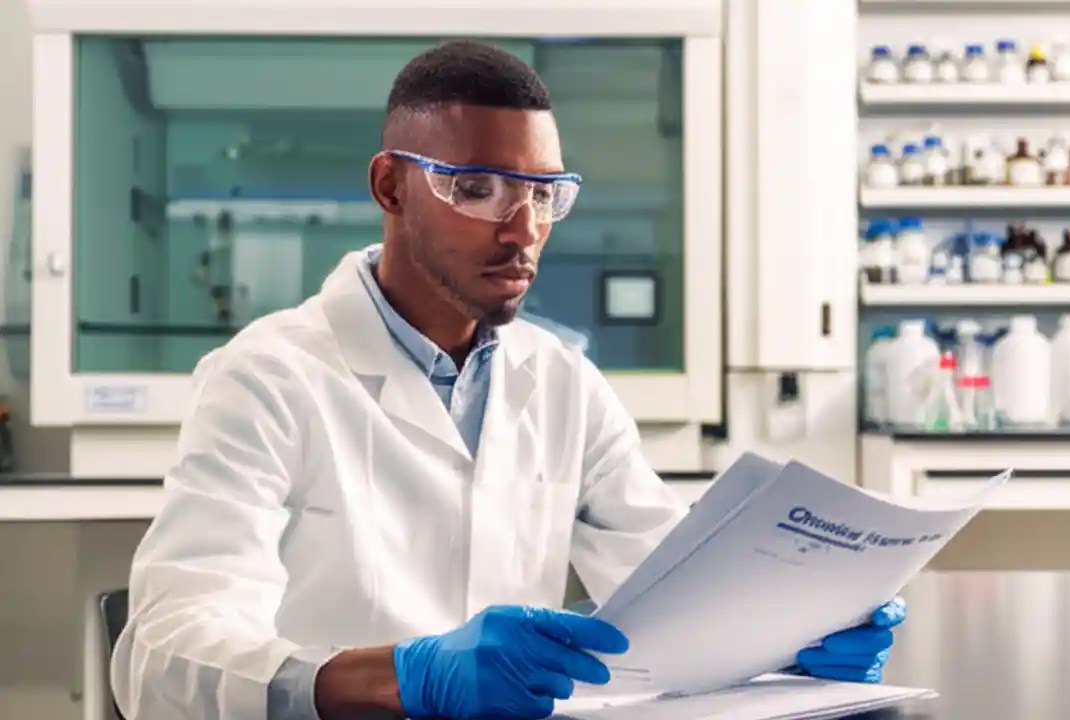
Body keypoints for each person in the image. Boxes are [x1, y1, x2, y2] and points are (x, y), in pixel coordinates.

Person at [109, 40, 904, 720]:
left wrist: (796, 628)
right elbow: (159, 658)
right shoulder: (267, 378)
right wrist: (405, 679)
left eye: (542, 194)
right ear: (391, 187)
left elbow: (676, 593)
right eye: (478, 189)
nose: (522, 229)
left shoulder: (562, 384)